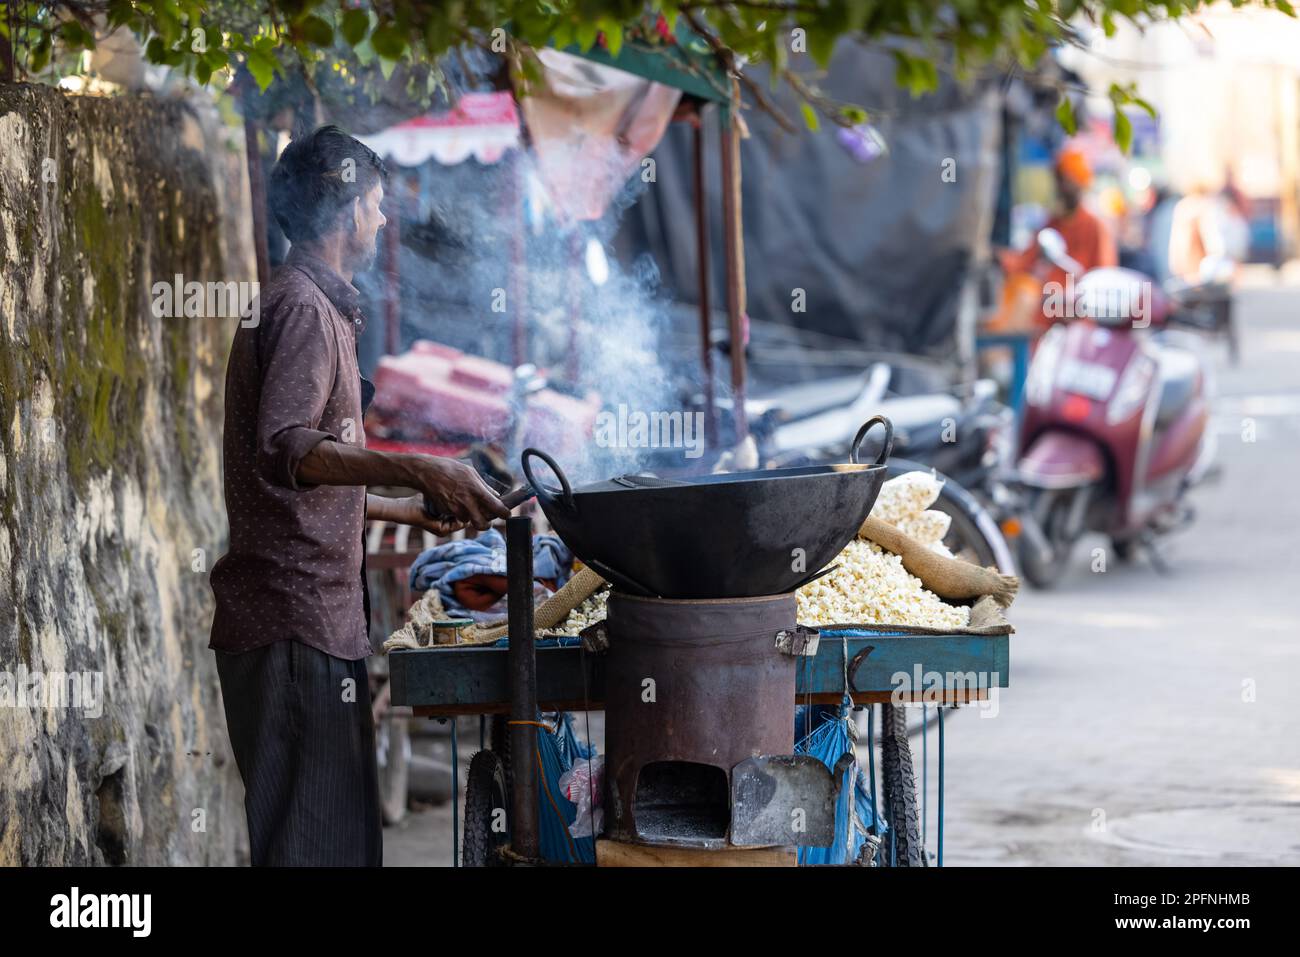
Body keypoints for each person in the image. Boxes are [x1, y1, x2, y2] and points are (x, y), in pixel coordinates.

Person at [208, 125, 510, 866]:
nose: (381, 220)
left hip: (305, 626)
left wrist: (405, 509)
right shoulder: (303, 310)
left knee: (335, 843)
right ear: (344, 215)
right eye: (375, 205)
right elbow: (287, 451)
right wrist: (418, 470)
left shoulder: (304, 302)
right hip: (292, 628)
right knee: (314, 848)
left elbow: (298, 477)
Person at [998, 145, 1118, 331]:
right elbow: (1025, 260)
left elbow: (1104, 278)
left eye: (1066, 181)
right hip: (1046, 314)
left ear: (1079, 184)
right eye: (1059, 181)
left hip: (1077, 317)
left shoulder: (1094, 226)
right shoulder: (1053, 223)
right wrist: (999, 258)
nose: (1061, 187)